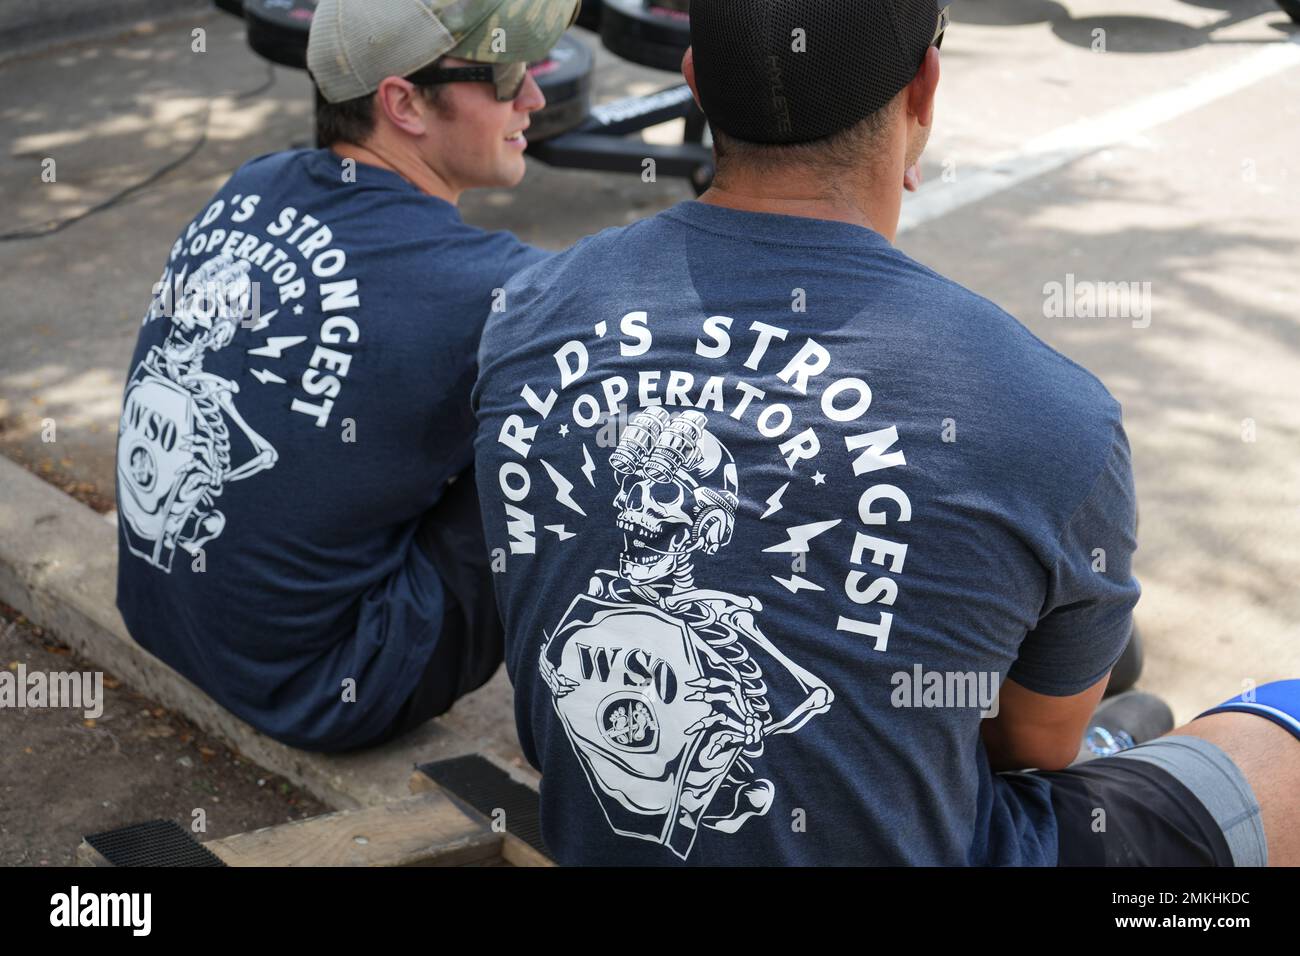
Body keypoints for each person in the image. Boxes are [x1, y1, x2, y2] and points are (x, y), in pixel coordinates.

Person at [472, 0, 1298, 864]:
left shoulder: (527, 311)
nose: (645, 515)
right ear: (926, 91)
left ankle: (1121, 737)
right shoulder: (1055, 414)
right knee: (1275, 717)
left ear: (693, 85)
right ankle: (1120, 746)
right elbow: (1032, 749)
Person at [114, 0, 580, 753]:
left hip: (163, 615)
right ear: (402, 103)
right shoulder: (495, 289)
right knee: (572, 436)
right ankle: (600, 775)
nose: (533, 97)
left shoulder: (255, 182)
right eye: (505, 74)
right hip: (322, 689)